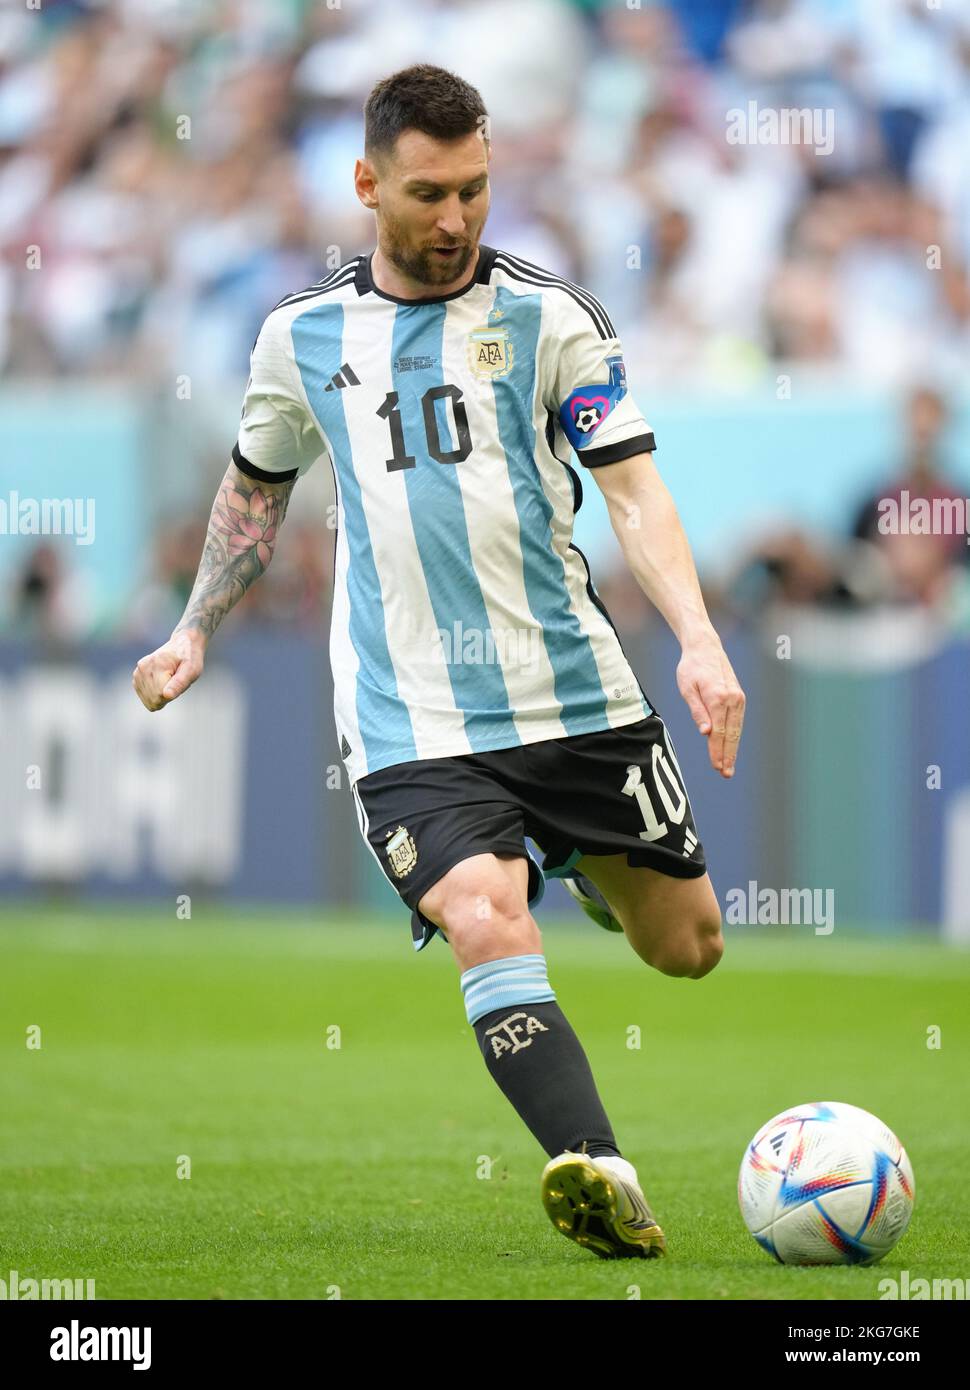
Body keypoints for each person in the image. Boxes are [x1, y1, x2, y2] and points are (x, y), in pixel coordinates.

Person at [132, 64, 745, 1261]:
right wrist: (194, 623)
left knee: (688, 948)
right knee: (480, 910)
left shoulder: (552, 317)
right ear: (366, 183)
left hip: (573, 692)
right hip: (409, 714)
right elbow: (252, 496)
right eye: (427, 193)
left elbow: (631, 490)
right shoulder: (300, 338)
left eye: (473, 190)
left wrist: (703, 639)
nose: (456, 219)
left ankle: (574, 858)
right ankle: (599, 1169)